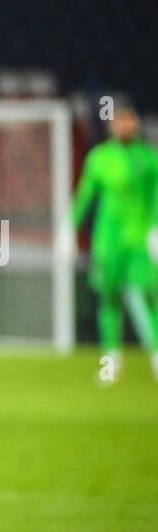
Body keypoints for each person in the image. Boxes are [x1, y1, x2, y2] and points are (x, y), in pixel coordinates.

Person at [72, 104, 158, 381]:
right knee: (108, 299)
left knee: (149, 295)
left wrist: (155, 230)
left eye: (128, 120)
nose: (124, 126)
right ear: (112, 125)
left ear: (136, 124)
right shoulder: (100, 158)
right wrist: (69, 227)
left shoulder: (149, 159)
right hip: (107, 242)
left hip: (138, 240)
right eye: (119, 121)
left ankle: (156, 355)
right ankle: (111, 362)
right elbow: (86, 196)